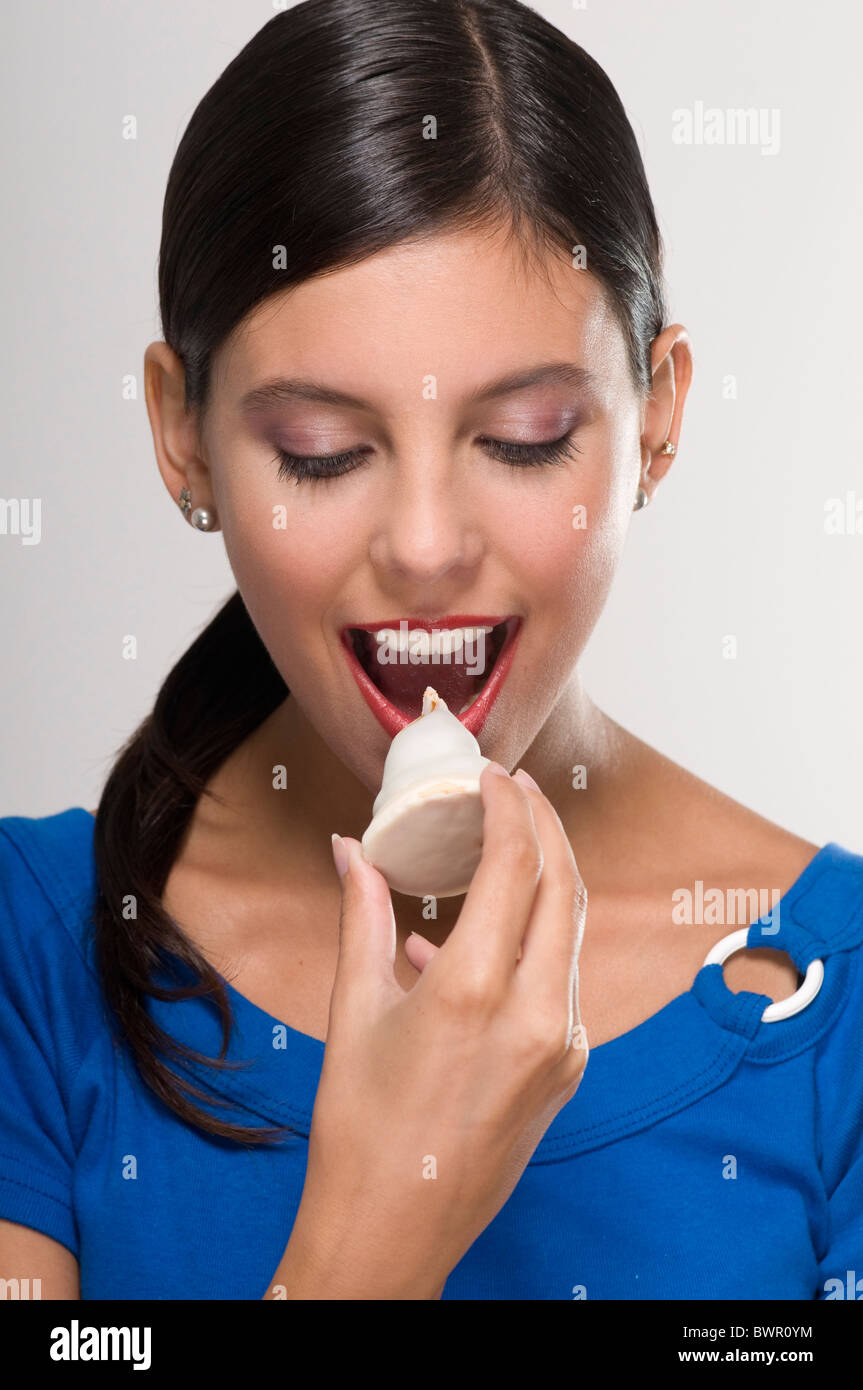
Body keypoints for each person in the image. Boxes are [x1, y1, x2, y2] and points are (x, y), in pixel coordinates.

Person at [1, 0, 861, 1301]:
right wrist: (373, 1233)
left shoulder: (834, 1007)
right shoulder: (34, 950)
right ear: (182, 432)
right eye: (321, 451)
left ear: (662, 417)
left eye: (522, 435)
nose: (423, 544)